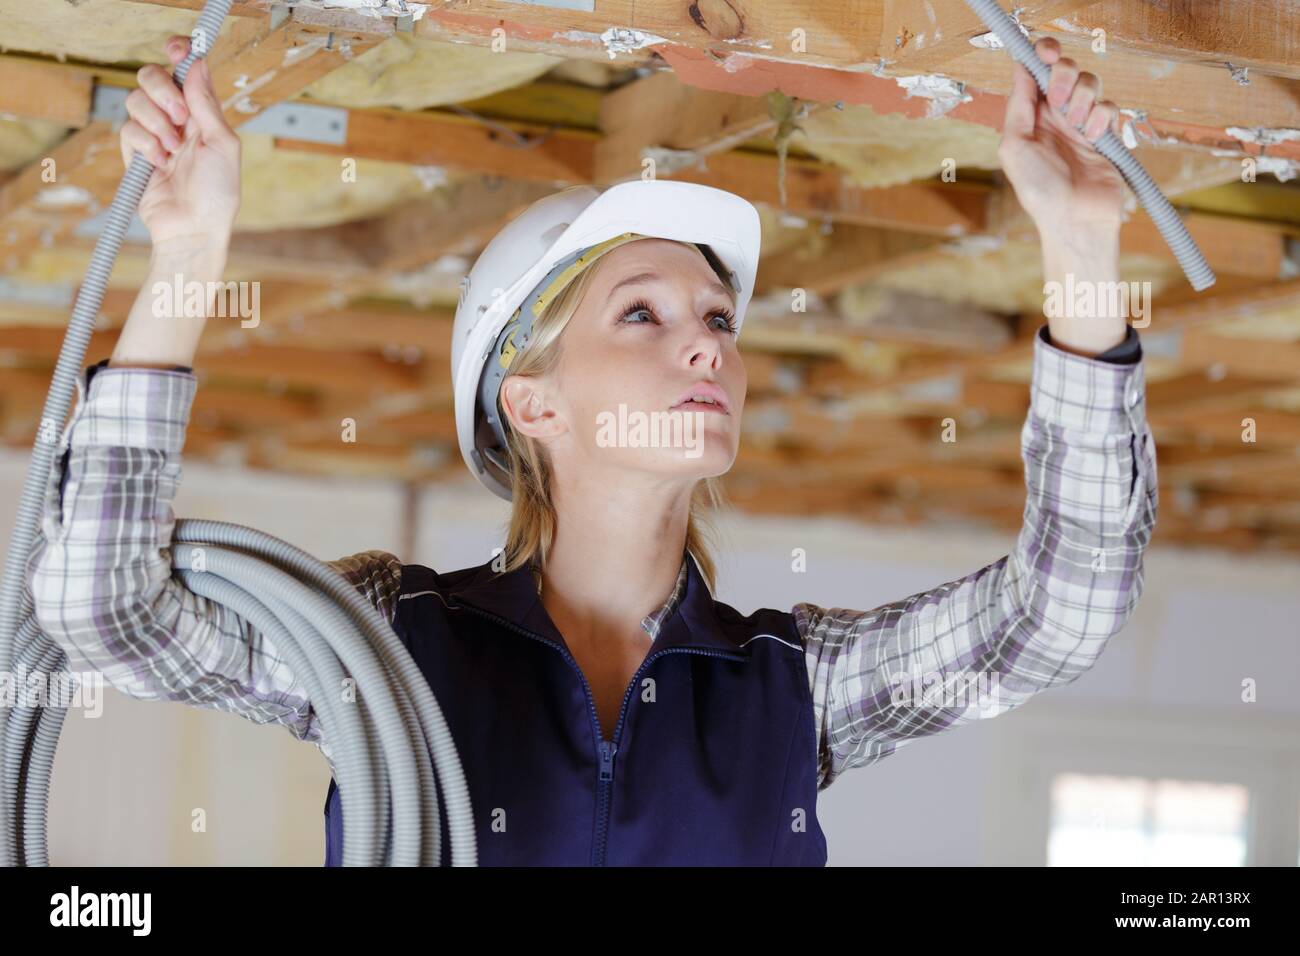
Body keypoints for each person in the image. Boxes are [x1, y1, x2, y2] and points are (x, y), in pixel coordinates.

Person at [28, 33, 1156, 866]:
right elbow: (99, 606)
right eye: (643, 314)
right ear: (534, 403)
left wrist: (1082, 241)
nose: (707, 345)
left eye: (717, 318)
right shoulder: (393, 647)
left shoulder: (793, 689)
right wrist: (187, 252)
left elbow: (1060, 610)